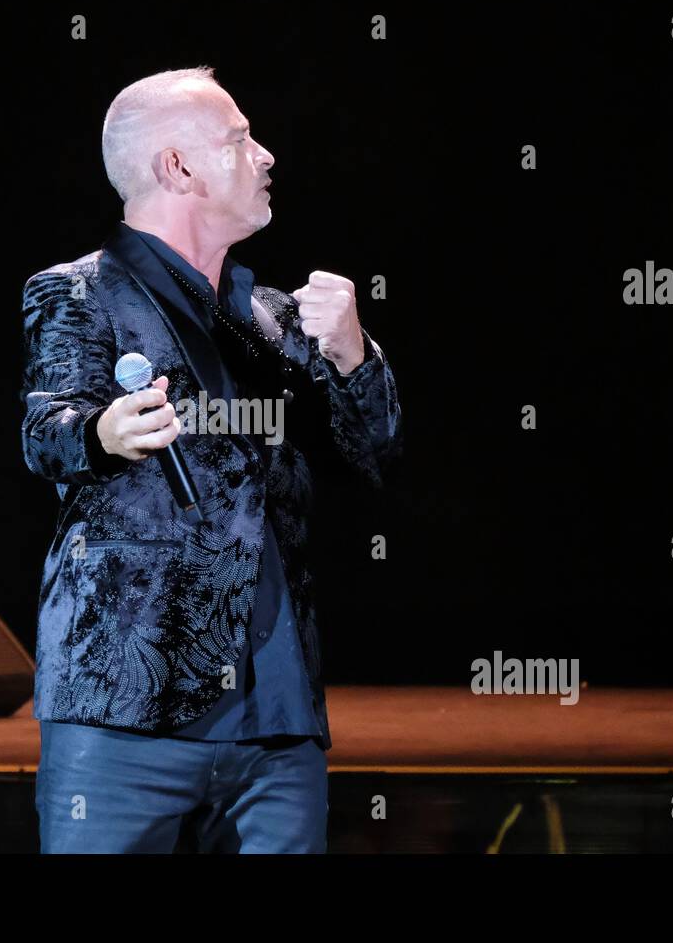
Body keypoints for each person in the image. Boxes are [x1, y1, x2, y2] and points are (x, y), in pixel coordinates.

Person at [21, 65, 403, 852]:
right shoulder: (81, 293)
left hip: (276, 718)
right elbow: (45, 429)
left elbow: (371, 455)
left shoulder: (276, 318)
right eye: (241, 140)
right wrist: (103, 434)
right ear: (178, 167)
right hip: (128, 708)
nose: (266, 157)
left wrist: (354, 353)